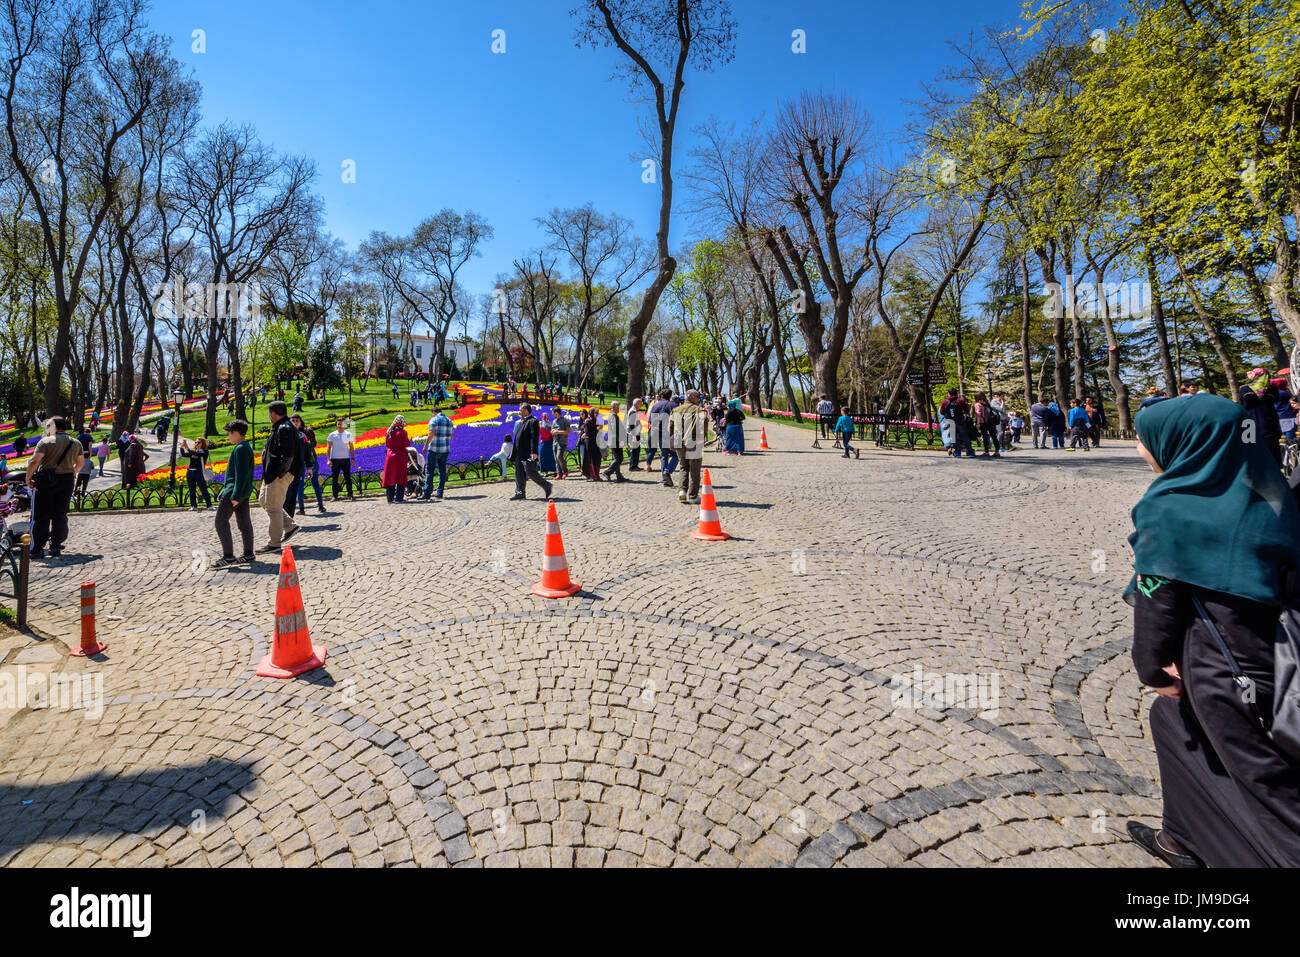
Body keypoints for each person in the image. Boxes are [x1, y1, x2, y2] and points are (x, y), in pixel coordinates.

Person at [1125, 393, 1300, 867]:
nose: (1142, 448)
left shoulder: (1174, 507)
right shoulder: (1273, 493)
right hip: (1277, 652)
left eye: (1146, 439)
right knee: (1173, 726)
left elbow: (1157, 601)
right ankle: (1182, 837)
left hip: (1222, 666)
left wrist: (1154, 672)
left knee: (1270, 790)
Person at [25, 417, 82, 559]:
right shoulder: (75, 442)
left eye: (48, 425)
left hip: (46, 481)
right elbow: (80, 463)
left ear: (54, 427)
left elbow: (34, 461)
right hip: (67, 479)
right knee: (60, 514)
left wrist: (28, 478)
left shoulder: (45, 441)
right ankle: (56, 546)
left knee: (41, 515)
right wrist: (72, 473)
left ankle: (37, 548)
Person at [211, 420, 255, 568]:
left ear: (236, 433)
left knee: (220, 521)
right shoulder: (245, 447)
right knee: (244, 522)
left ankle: (228, 556)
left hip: (234, 492)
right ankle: (248, 553)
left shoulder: (240, 449)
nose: (228, 437)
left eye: (229, 434)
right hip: (241, 492)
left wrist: (234, 496)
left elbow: (240, 475)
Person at [259, 400, 301, 551]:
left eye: (269, 413)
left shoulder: (285, 428)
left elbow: (288, 454)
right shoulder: (280, 427)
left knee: (273, 507)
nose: (269, 416)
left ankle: (274, 543)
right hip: (271, 474)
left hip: (279, 475)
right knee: (264, 501)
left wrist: (281, 472)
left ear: (273, 413)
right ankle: (290, 526)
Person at [671, 390, 712, 504]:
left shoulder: (676, 410)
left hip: (679, 441)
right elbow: (703, 425)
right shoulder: (698, 410)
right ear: (693, 397)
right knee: (694, 469)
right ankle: (693, 496)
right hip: (693, 441)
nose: (699, 399)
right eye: (698, 397)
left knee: (683, 466)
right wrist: (702, 439)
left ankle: (682, 491)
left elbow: (670, 427)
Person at [509, 403, 553, 501]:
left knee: (531, 472)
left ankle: (547, 486)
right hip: (519, 453)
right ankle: (520, 492)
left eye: (520, 410)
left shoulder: (533, 421)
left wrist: (534, 452)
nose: (519, 412)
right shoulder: (522, 422)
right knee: (518, 472)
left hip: (528, 453)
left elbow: (534, 437)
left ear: (525, 410)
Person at [290, 414, 325, 514]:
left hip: (308, 460)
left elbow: (313, 444)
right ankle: (302, 508)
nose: (295, 422)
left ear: (301, 421)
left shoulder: (306, 432)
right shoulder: (291, 433)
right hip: (302, 461)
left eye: (297, 420)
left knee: (314, 483)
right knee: (299, 485)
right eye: (293, 420)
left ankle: (320, 505)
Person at [381, 414, 415, 503]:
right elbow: (407, 444)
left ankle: (390, 498)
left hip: (390, 456)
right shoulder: (403, 432)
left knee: (390, 477)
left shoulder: (389, 432)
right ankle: (399, 498)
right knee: (400, 477)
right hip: (400, 456)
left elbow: (387, 444)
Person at [423, 407, 453, 500]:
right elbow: (451, 435)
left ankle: (427, 493)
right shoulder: (449, 420)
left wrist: (425, 445)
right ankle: (440, 492)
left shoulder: (434, 419)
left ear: (434, 412)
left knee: (430, 471)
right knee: (442, 471)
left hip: (434, 449)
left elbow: (431, 433)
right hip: (445, 449)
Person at [649, 389, 677, 486]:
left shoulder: (656, 405)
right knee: (676, 455)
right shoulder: (673, 405)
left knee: (664, 455)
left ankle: (665, 480)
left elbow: (650, 420)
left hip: (658, 433)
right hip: (670, 434)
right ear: (670, 395)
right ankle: (667, 471)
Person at [326, 418, 355, 501]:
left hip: (345, 459)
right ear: (336, 425)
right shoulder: (332, 435)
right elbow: (328, 448)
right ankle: (335, 496)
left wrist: (352, 458)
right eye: (338, 424)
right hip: (335, 459)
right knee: (334, 478)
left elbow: (351, 447)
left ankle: (350, 494)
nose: (340, 426)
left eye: (341, 424)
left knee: (348, 478)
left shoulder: (348, 434)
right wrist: (328, 459)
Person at [180, 437, 213, 510]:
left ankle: (209, 505)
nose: (196, 444)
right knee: (191, 490)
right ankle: (193, 506)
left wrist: (187, 448)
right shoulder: (194, 451)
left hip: (199, 472)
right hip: (190, 472)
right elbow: (184, 455)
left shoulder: (204, 452)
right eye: (196, 442)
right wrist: (182, 447)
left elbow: (197, 454)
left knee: (203, 488)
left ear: (203, 444)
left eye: (199, 442)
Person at [602, 401, 626, 481]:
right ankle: (607, 472)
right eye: (618, 407)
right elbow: (615, 430)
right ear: (615, 407)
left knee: (616, 458)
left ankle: (619, 476)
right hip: (615, 440)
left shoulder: (613, 415)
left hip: (615, 440)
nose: (619, 408)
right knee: (619, 458)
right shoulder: (613, 416)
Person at [973, 392, 1001, 458]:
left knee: (985, 437)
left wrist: (977, 424)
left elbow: (978, 415)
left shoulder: (978, 404)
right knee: (994, 436)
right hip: (991, 422)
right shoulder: (987, 403)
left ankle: (986, 452)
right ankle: (997, 452)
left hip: (983, 423)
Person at [626, 399, 645, 471]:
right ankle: (633, 466)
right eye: (640, 404)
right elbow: (631, 425)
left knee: (636, 449)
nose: (641, 405)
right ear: (637, 404)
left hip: (635, 433)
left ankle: (635, 465)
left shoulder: (633, 411)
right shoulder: (633, 412)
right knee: (635, 450)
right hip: (634, 433)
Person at [551, 409, 571, 479]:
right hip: (555, 442)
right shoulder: (554, 421)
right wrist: (552, 431)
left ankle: (565, 471)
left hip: (562, 442)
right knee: (556, 458)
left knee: (559, 456)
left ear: (556, 412)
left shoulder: (565, 420)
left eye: (553, 412)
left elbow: (568, 432)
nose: (552, 414)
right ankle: (559, 474)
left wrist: (558, 432)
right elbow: (552, 430)